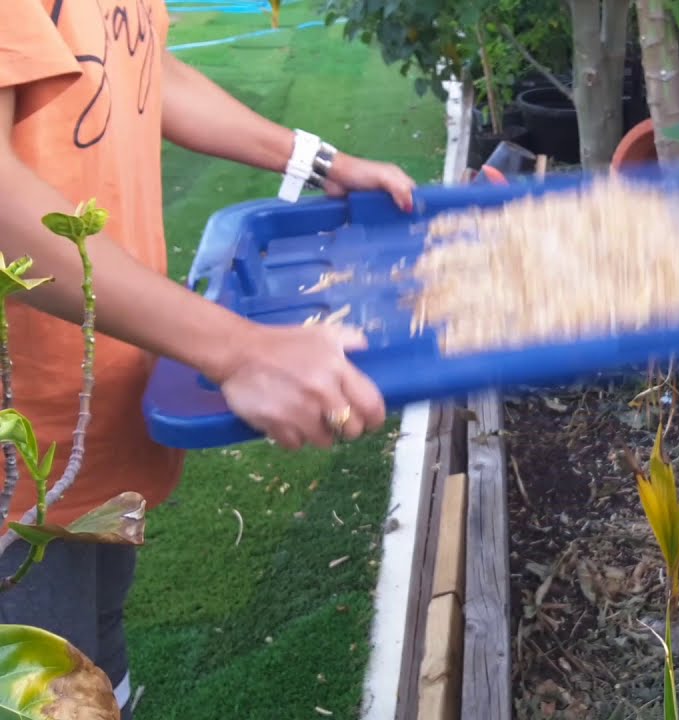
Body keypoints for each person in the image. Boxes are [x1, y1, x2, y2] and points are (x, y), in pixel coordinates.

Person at [0, 1, 415, 715]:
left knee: (98, 667)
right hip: (17, 469)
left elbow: (139, 64)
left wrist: (320, 160)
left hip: (94, 431)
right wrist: (239, 348)